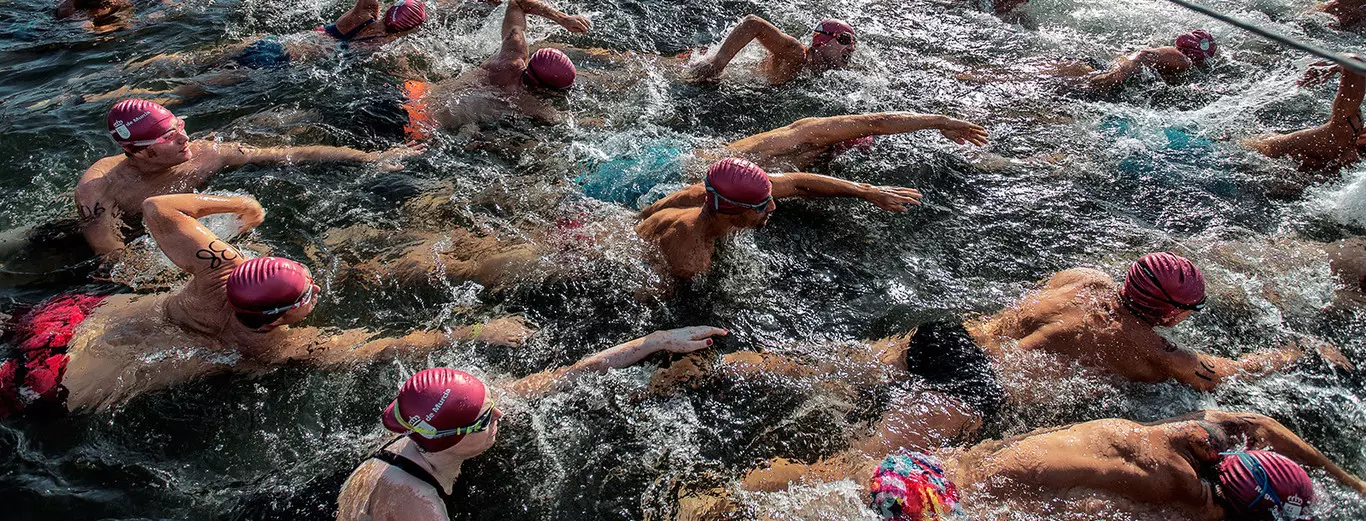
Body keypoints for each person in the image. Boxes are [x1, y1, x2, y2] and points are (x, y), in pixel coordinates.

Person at [0, 193, 528, 418]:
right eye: (307, 295)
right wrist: (475, 335)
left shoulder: (220, 270)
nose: (316, 293)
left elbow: (159, 209)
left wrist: (240, 206)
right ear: (279, 317)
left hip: (65, 318)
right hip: (56, 386)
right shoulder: (262, 346)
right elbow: (377, 349)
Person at [335, 326, 729, 520]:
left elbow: (573, 373)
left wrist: (656, 341)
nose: (501, 414)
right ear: (450, 439)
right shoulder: (417, 506)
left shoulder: (424, 429)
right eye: (487, 418)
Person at [679, 409, 1366, 520]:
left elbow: (1265, 424)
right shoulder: (1179, 495)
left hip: (923, 464)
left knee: (770, 495)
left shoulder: (1187, 436)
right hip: (928, 505)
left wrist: (1352, 479)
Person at [78, 99, 422, 256]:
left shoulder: (206, 153)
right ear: (139, 152)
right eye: (170, 138)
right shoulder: (100, 189)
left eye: (180, 125)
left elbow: (289, 155)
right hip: (129, 237)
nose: (185, 137)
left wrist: (370, 158)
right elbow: (111, 256)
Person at [84, 0, 427, 105]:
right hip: (277, 65)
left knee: (181, 62)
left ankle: (106, 78)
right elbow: (403, 81)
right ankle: (106, 100)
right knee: (185, 91)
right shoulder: (388, 49)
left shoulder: (361, 16)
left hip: (270, 43)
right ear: (412, 29)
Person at [635, 157, 925, 279]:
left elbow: (797, 182)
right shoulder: (692, 257)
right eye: (762, 205)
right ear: (734, 210)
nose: (773, 207)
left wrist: (866, 191)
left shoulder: (707, 194)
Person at [419, 0, 590, 130]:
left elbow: (517, 2)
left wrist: (564, 19)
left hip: (419, 94)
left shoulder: (513, 52)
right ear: (545, 89)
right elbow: (566, 124)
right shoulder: (532, 107)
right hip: (425, 129)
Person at [1246, 58, 1366, 173]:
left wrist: (1334, 66)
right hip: (1251, 160)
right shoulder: (1344, 134)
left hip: (1266, 173)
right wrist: (1335, 66)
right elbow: (1353, 63)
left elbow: (1354, 62)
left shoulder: (1345, 136)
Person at [686, 17, 857, 85]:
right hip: (709, 75)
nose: (851, 47)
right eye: (844, 39)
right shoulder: (797, 54)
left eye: (853, 42)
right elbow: (753, 23)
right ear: (822, 41)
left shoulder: (825, 71)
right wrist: (717, 63)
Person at [1061, 30, 1218, 92]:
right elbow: (1142, 56)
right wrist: (1111, 78)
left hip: (1101, 69)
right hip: (1099, 71)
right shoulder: (1182, 59)